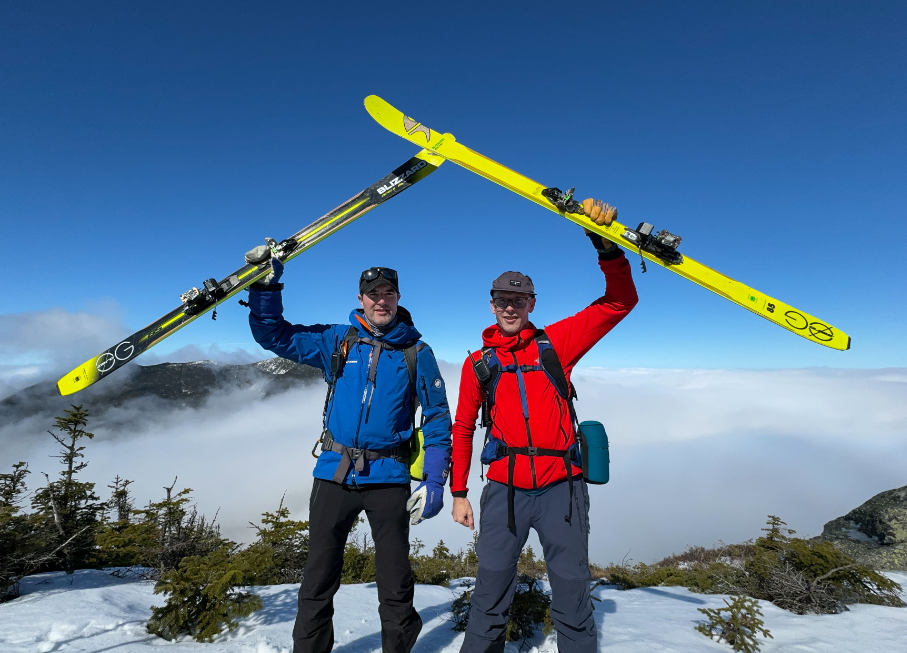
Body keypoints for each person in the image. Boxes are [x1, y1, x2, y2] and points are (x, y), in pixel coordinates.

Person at [449, 199, 639, 653]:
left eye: (519, 300)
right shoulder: (477, 364)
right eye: (502, 300)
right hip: (504, 491)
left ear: (532, 304)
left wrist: (606, 246)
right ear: (491, 304)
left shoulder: (557, 344)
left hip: (562, 490)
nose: (510, 307)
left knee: (573, 597)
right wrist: (458, 492)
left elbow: (620, 301)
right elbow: (463, 428)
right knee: (489, 598)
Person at [243, 249, 453, 653]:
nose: (381, 300)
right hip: (334, 471)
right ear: (361, 299)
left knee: (395, 581)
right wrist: (266, 288)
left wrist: (435, 479)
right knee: (318, 577)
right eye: (373, 294)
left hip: (388, 475)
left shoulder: (417, 353)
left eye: (388, 293)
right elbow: (275, 336)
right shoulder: (339, 340)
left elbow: (438, 418)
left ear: (398, 298)